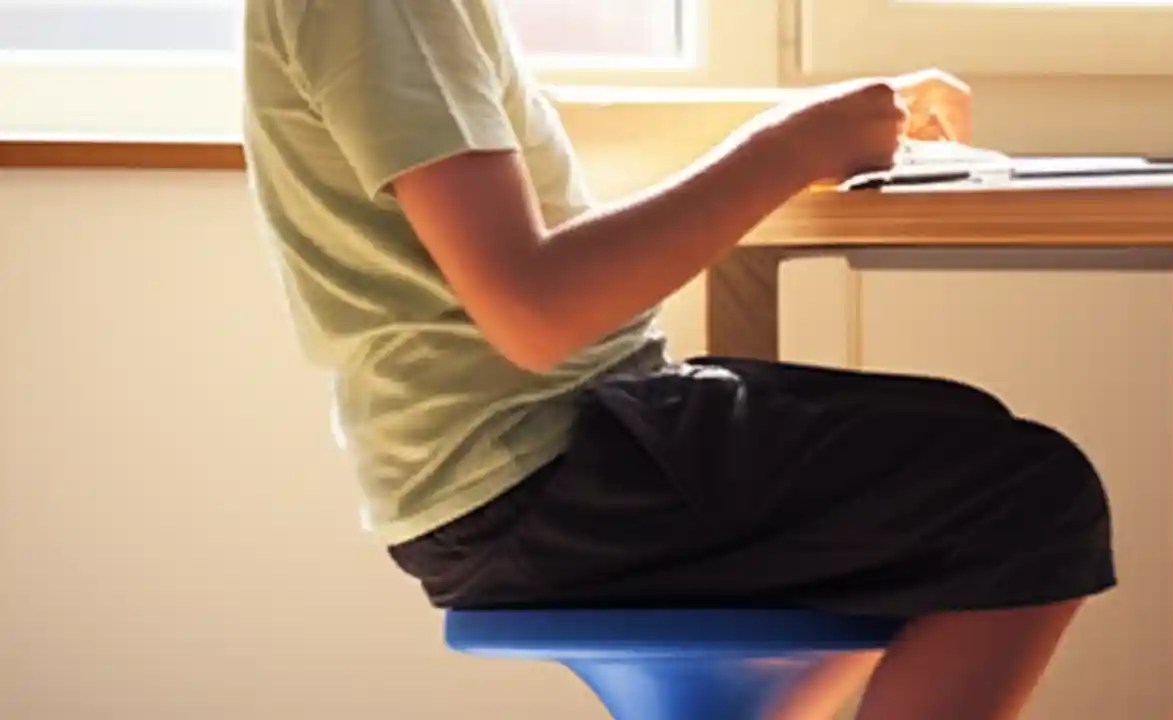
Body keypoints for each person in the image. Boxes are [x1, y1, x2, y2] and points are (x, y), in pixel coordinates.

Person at [242, 2, 1116, 718]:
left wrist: (830, 119)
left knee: (962, 448)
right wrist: (793, 147)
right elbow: (534, 311)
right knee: (1030, 498)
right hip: (539, 468)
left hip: (538, 454)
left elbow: (530, 138)